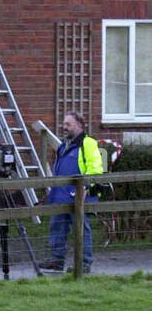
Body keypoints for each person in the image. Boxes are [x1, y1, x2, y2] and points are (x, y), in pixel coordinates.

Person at [41, 112, 104, 273]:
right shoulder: (64, 145)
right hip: (61, 195)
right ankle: (57, 261)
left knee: (82, 229)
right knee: (57, 227)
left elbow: (95, 168)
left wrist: (86, 188)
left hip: (79, 195)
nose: (64, 127)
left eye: (68, 124)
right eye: (64, 124)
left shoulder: (88, 143)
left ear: (80, 125)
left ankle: (84, 263)